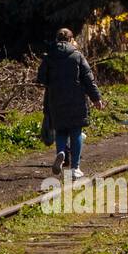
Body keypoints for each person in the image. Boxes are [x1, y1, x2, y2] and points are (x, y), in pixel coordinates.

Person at [37, 28, 103, 178]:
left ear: (56, 39)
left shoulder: (49, 57)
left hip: (55, 99)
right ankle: (75, 168)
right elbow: (88, 78)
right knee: (76, 131)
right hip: (76, 99)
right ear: (71, 39)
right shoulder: (77, 55)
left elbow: (41, 78)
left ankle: (61, 152)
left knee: (61, 131)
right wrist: (96, 98)